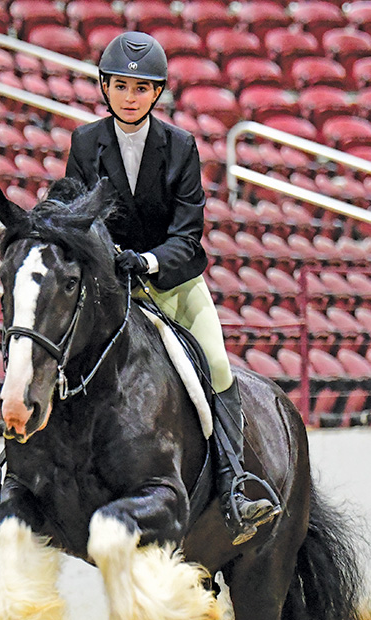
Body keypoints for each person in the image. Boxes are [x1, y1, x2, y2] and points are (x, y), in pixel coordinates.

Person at [64, 31, 280, 545]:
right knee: (51, 351)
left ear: (156, 93)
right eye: (121, 86)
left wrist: (149, 260)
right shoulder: (84, 143)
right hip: (112, 293)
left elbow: (188, 234)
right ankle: (11, 475)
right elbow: (72, 211)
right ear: (105, 87)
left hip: (173, 288)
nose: (130, 97)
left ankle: (236, 484)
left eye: (141, 88)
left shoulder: (180, 147)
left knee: (218, 366)